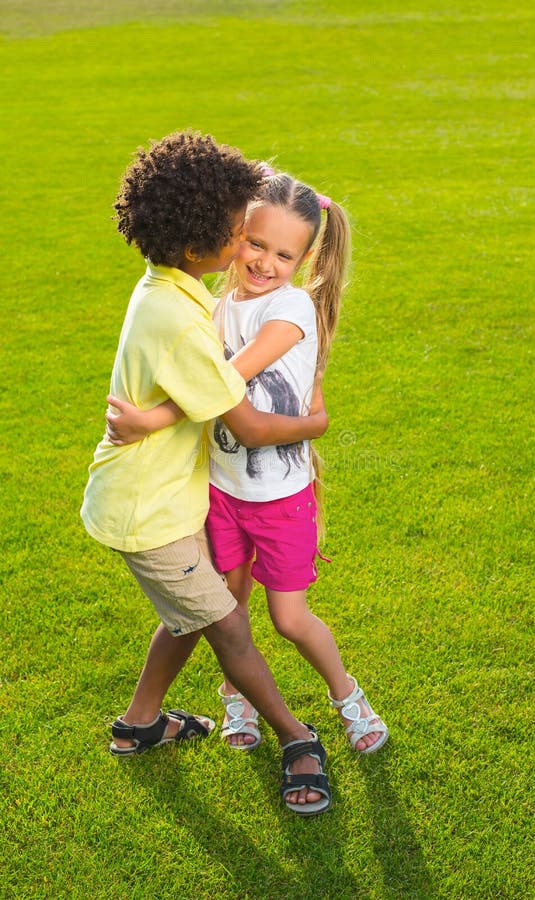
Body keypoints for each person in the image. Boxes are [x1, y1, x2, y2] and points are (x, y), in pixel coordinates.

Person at [81, 132, 332, 816]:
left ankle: (139, 725)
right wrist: (313, 426)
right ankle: (297, 739)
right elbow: (247, 424)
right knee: (229, 630)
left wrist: (153, 421)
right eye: (238, 234)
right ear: (201, 246)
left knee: (189, 619)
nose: (245, 245)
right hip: (150, 517)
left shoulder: (171, 286)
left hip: (159, 499)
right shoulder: (180, 320)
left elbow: (199, 389)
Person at [104, 166, 389, 759]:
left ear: (305, 260)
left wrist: (147, 422)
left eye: (284, 254)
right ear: (234, 235)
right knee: (226, 606)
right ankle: (236, 698)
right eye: (254, 243)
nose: (264, 262)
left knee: (288, 618)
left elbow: (226, 386)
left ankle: (348, 696)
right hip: (224, 492)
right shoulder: (215, 304)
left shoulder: (290, 312)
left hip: (280, 497)